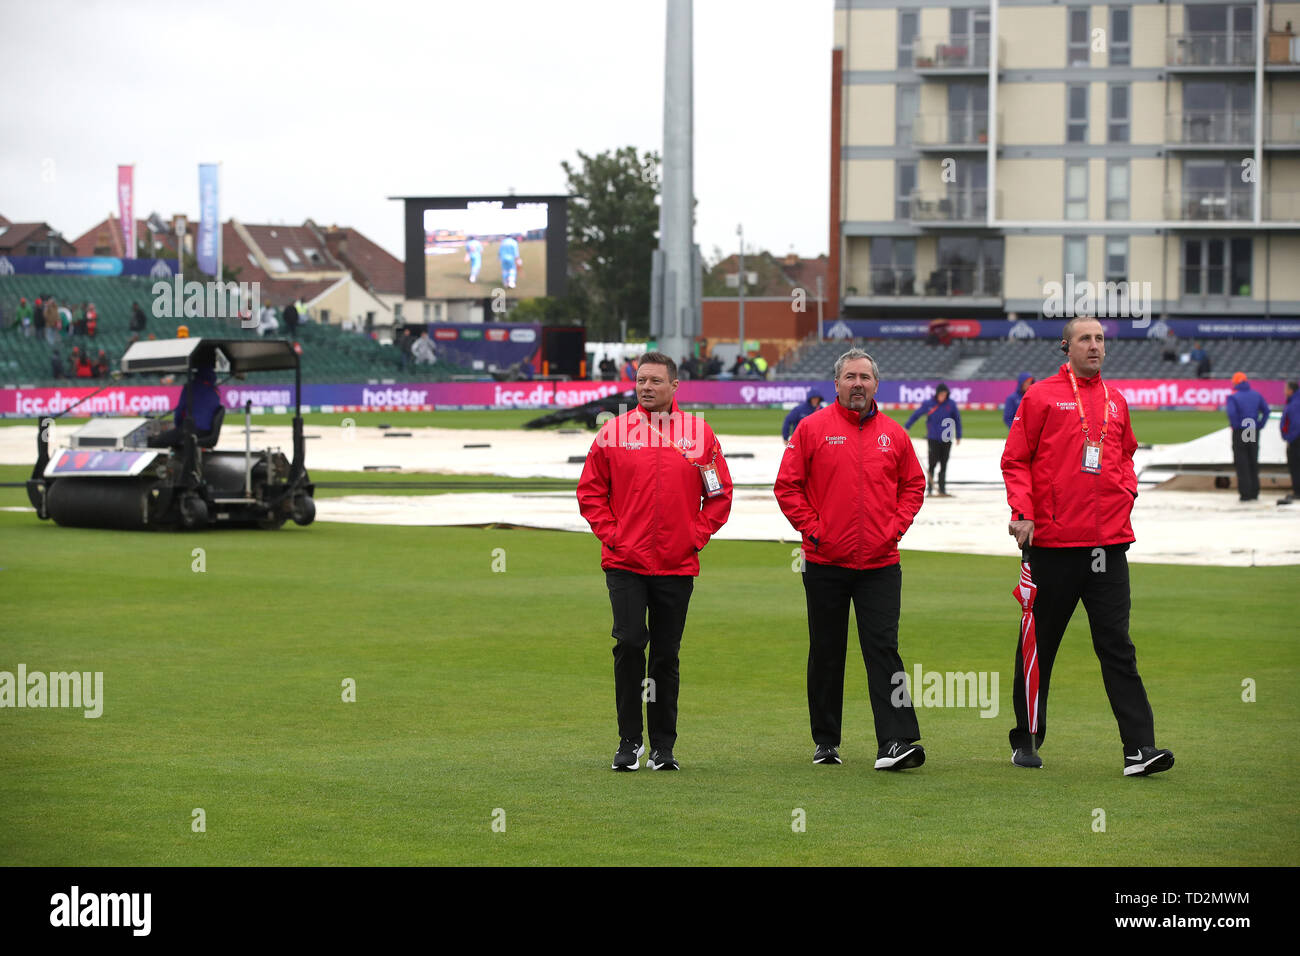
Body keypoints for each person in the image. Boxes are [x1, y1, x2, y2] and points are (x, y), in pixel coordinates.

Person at [1001, 317, 1174, 777]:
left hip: (1108, 546)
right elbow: (1015, 459)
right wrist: (1023, 513)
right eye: (1085, 339)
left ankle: (1139, 749)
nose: (1094, 346)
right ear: (1066, 347)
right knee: (1040, 644)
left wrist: (1126, 496)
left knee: (1117, 645)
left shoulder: (1117, 401)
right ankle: (1027, 738)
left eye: (1099, 339)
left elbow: (1126, 456)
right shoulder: (1040, 397)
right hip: (1054, 545)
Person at [577, 351, 733, 772]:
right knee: (629, 644)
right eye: (641, 380)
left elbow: (718, 496)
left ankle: (664, 746)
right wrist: (613, 536)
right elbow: (590, 493)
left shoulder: (699, 434)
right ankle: (629, 742)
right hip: (625, 562)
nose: (646, 387)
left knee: (665, 655)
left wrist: (693, 537)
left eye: (655, 381)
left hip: (676, 564)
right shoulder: (612, 433)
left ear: (674, 386)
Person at [774, 348, 927, 770]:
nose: (857, 383)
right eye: (849, 377)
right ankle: (826, 741)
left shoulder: (894, 435)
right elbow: (787, 486)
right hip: (825, 562)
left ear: (877, 384)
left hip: (880, 563)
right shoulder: (811, 429)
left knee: (883, 648)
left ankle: (895, 742)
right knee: (826, 650)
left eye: (865, 377)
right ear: (836, 384)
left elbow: (914, 485)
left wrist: (894, 528)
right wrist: (816, 530)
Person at [905, 382, 962, 496]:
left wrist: (959, 435)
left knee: (944, 464)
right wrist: (907, 426)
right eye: (941, 394)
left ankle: (942, 489)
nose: (943, 396)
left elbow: (957, 420)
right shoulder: (929, 404)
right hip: (933, 438)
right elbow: (917, 414)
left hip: (946, 439)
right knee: (932, 464)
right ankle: (930, 489)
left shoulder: (951, 404)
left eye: (945, 394)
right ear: (937, 394)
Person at [148, 366, 222, 448]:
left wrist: (178, 427)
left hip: (191, 430)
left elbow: (180, 411)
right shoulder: (216, 391)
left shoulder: (190, 387)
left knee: (155, 442)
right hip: (207, 433)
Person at [1226, 371, 1270, 502]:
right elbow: (1266, 411)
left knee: (1242, 461)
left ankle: (1245, 493)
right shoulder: (1256, 395)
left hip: (1241, 430)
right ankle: (1254, 491)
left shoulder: (1233, 397)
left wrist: (1236, 426)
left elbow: (1232, 415)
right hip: (1252, 428)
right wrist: (1260, 425)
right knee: (1252, 460)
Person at [1280, 381, 1300, 506]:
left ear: (1291, 390)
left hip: (1296, 441)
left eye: (1285, 389)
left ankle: (1297, 491)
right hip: (1295, 439)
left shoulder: (1294, 404)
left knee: (1295, 466)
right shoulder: (1294, 402)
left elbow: (1296, 424)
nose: (1284, 391)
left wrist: (1290, 438)